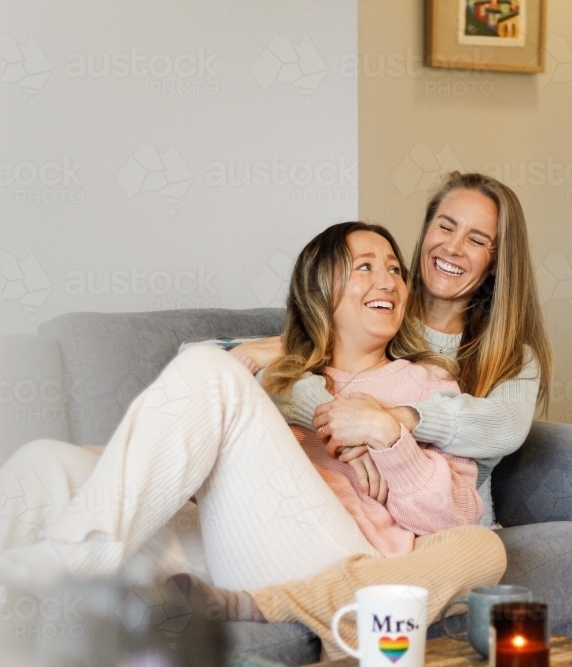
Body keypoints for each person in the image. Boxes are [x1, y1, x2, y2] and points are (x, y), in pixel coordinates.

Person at [0, 222, 505, 613]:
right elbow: (195, 398)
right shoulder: (283, 373)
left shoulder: (426, 383)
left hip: (337, 557)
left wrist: (389, 435)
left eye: (395, 268)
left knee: (209, 370)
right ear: (319, 287)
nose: (389, 280)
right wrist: (280, 349)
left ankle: (71, 558)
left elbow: (458, 518)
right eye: (365, 266)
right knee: (49, 464)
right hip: (233, 542)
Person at [197, 172, 554, 651]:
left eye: (477, 239)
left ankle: (281, 605)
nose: (452, 247)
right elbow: (219, 370)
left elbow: (503, 430)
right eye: (445, 227)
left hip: (440, 526)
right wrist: (334, 416)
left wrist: (398, 422)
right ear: (425, 232)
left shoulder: (509, 355)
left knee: (482, 549)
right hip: (348, 513)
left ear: (495, 263)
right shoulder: (376, 303)